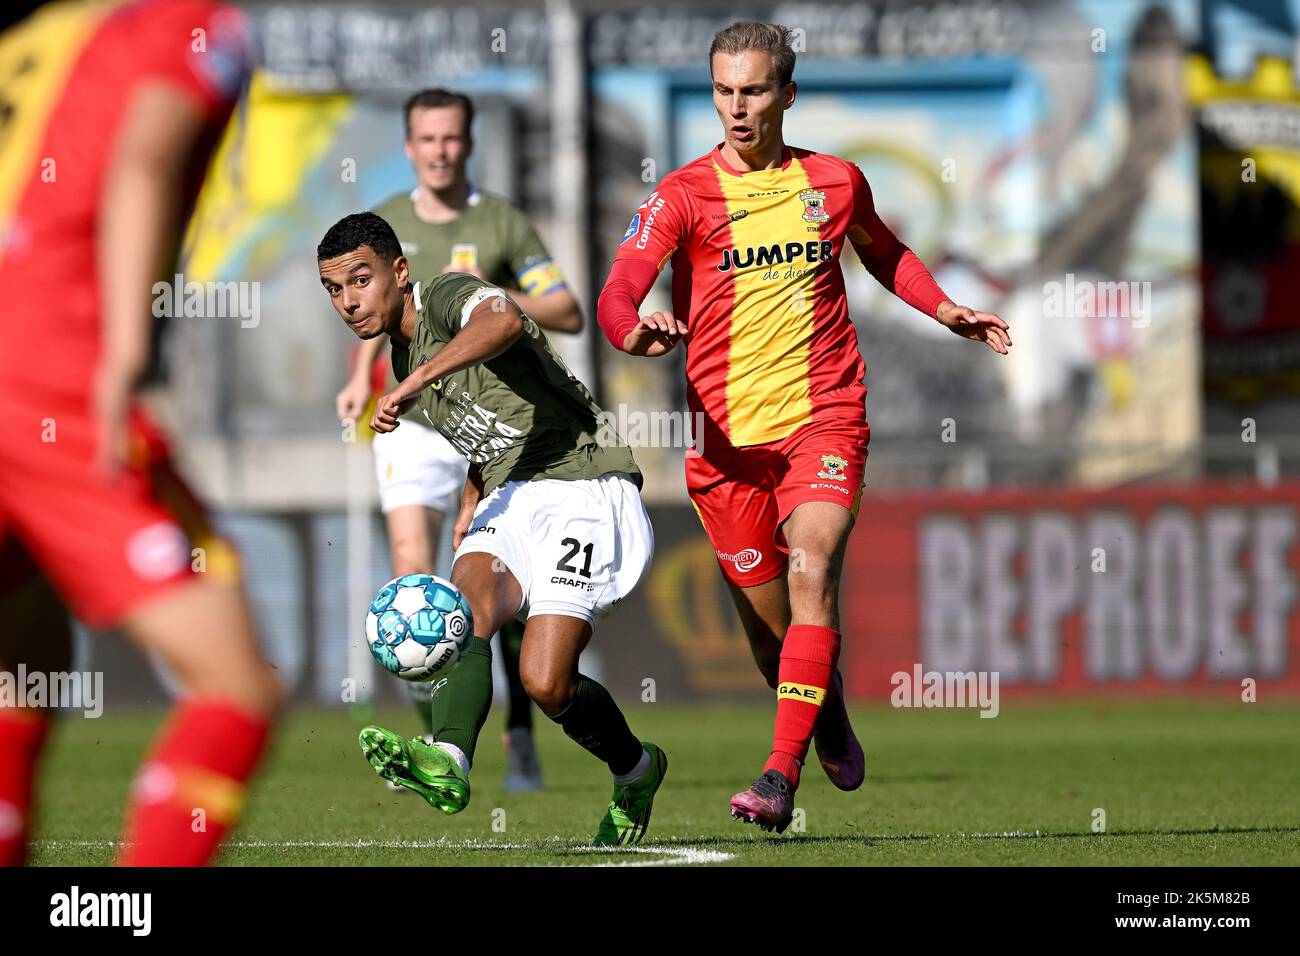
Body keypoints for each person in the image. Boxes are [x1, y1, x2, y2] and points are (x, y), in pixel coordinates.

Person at [597, 21, 1012, 833]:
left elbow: (883, 251)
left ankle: (778, 778)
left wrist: (945, 308)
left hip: (824, 416)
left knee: (812, 570)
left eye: (753, 91)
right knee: (770, 637)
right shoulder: (682, 194)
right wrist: (631, 328)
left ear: (787, 93)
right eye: (723, 91)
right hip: (724, 448)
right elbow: (622, 285)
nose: (736, 108)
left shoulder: (835, 180)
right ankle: (826, 708)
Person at [0, 0, 282, 866]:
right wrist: (126, 349)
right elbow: (144, 160)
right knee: (236, 685)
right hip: (47, 371)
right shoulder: (193, 20)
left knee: (19, 661)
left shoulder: (44, 35)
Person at [318, 213, 665, 846]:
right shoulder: (403, 353)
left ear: (399, 272)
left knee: (544, 681)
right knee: (463, 608)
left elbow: (503, 321)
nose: (349, 301)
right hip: (512, 493)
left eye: (360, 281)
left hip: (584, 482)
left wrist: (417, 383)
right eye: (335, 290)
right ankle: (449, 760)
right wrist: (471, 496)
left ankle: (637, 770)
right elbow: (490, 422)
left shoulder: (447, 297)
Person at [335, 89, 581, 793]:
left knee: (493, 583)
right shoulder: (387, 224)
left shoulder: (502, 222)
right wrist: (360, 380)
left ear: (467, 144)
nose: (439, 150)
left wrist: (489, 297)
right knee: (413, 576)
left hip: (491, 423)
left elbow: (564, 310)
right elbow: (376, 317)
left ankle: (521, 739)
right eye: (426, 138)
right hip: (413, 422)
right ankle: (437, 746)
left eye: (451, 138)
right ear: (409, 146)